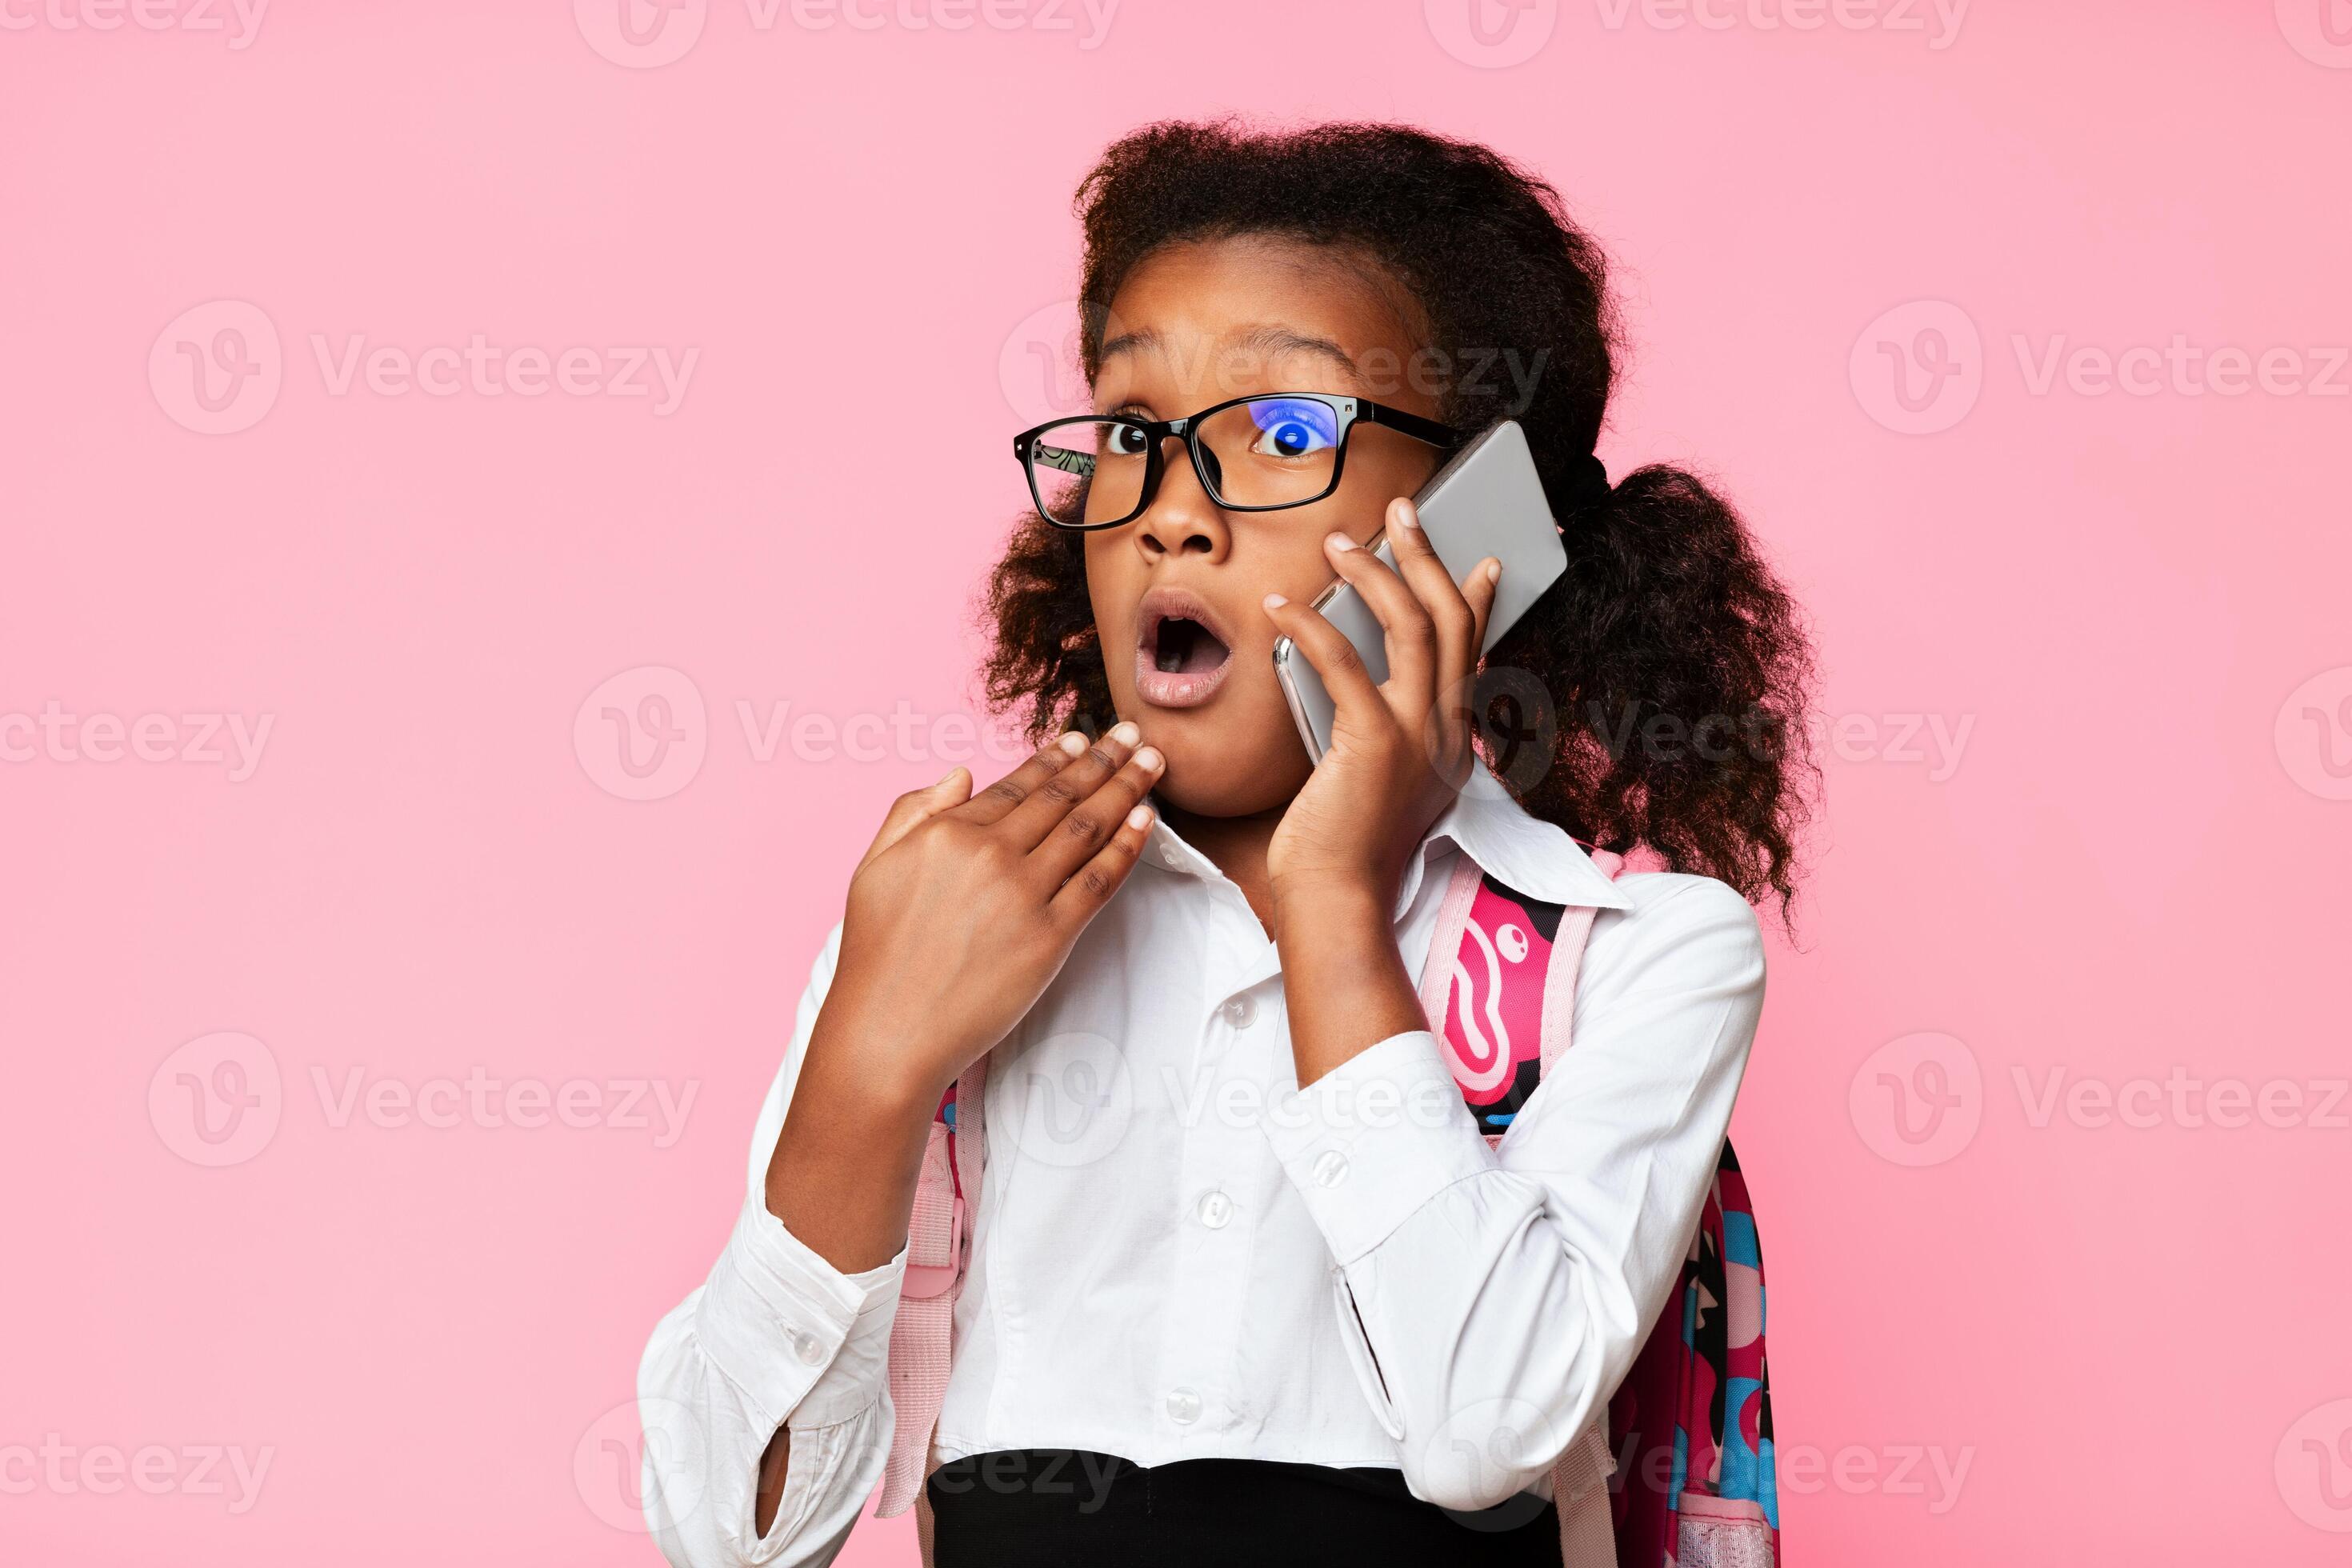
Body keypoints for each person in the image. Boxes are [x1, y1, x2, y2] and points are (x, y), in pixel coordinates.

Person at [639, 118, 1814, 1568]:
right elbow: (730, 1538)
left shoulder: (1630, 962)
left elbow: (1484, 1432)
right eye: (1133, 434)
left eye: (1291, 431)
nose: (1172, 515)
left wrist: (1333, 899)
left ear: (1478, 530)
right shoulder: (943, 937)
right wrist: (872, 1067)